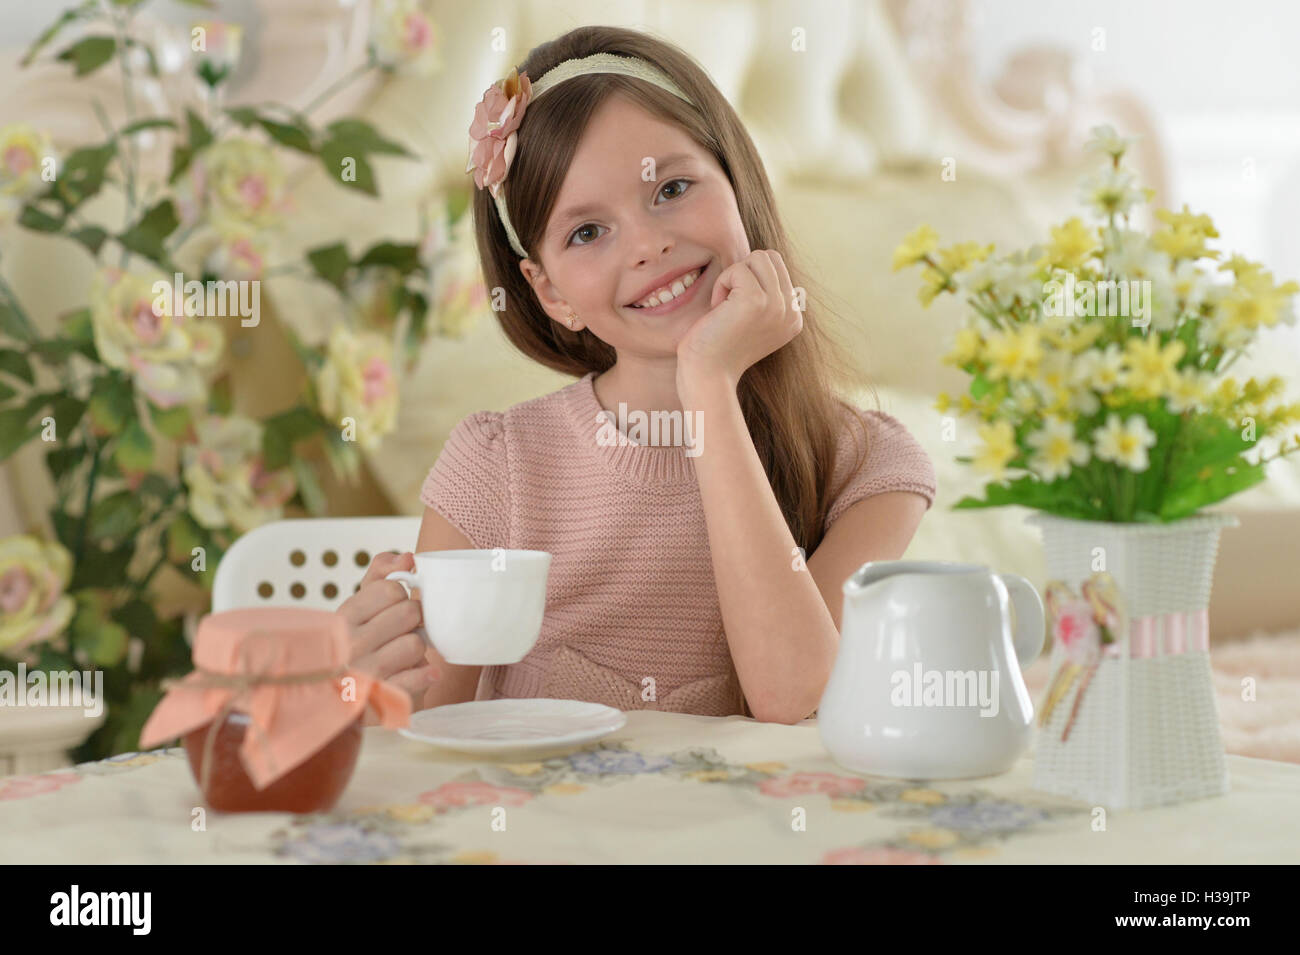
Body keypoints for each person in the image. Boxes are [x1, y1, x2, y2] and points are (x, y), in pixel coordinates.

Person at [340, 25, 937, 724]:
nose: (650, 245)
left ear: (739, 185)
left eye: (672, 188)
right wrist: (363, 686)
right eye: (587, 232)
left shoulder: (868, 466)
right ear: (550, 291)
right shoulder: (498, 466)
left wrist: (708, 386)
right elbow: (425, 734)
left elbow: (793, 697)